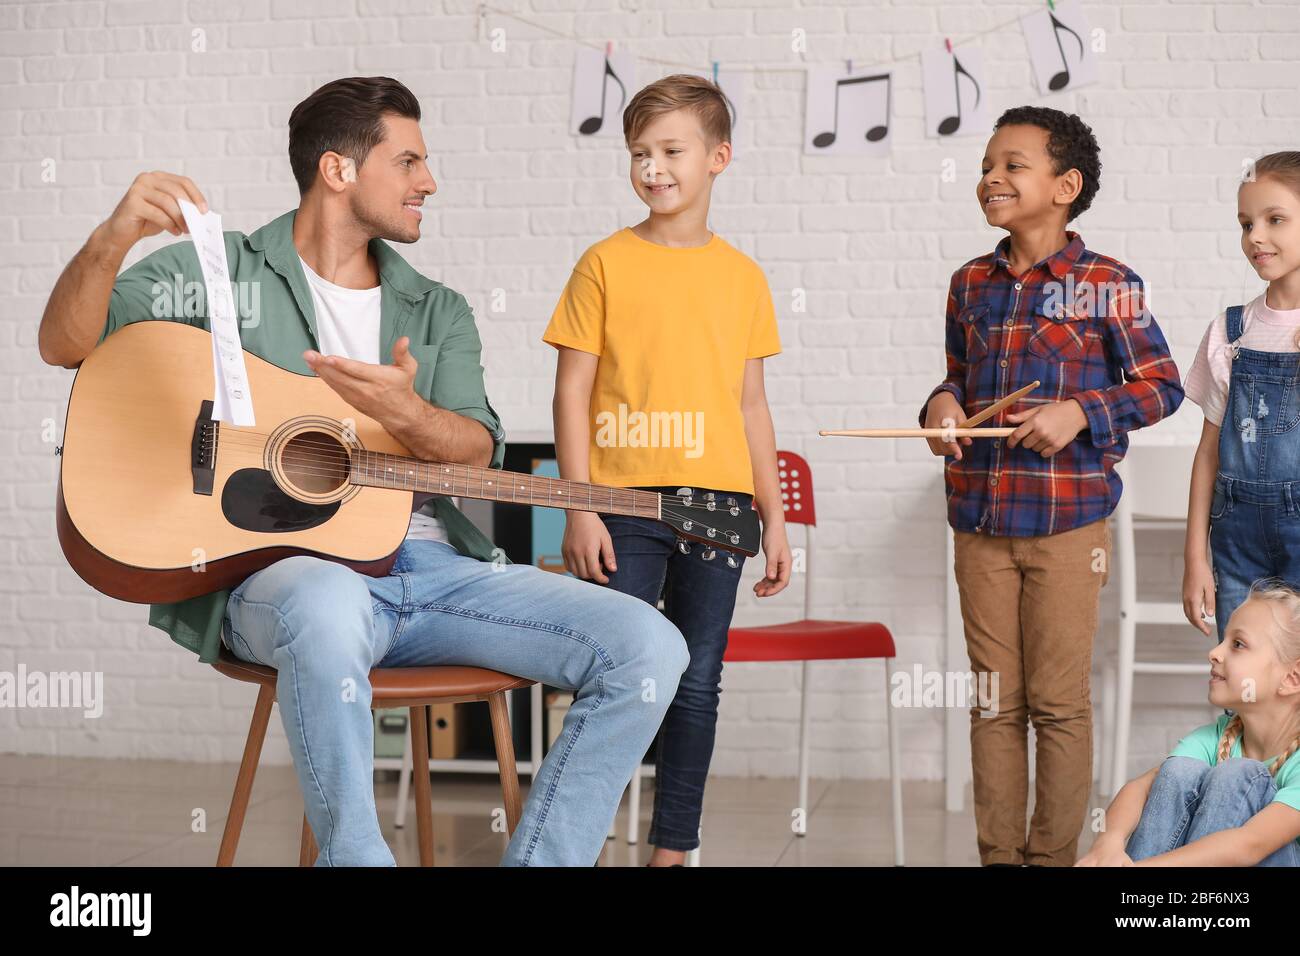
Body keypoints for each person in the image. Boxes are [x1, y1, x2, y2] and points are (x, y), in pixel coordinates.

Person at [37, 75, 690, 867]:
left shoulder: (435, 309)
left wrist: (410, 413)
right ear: (339, 170)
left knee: (649, 645)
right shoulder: (215, 273)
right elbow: (67, 344)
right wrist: (112, 239)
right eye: (409, 160)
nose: (430, 182)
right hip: (283, 580)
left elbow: (475, 452)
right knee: (327, 601)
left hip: (434, 570)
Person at [919, 106, 1183, 866]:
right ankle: (998, 859)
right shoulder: (970, 282)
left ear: (1065, 186)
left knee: (1058, 705)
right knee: (993, 702)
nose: (991, 178)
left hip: (1070, 526)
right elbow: (957, 383)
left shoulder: (1107, 284)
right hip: (979, 520)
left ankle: (1053, 861)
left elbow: (1162, 387)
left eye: (1012, 165)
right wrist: (941, 406)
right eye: (986, 166)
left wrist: (1082, 410)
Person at [544, 74, 792, 866]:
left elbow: (752, 406)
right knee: (617, 674)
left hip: (720, 509)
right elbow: (572, 390)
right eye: (639, 153)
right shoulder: (604, 263)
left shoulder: (745, 277)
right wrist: (579, 508)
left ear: (718, 157)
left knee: (696, 681)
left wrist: (775, 516)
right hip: (620, 502)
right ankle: (573, 837)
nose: (653, 167)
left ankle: (672, 850)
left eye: (671, 150)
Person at [1078, 579, 1300, 866]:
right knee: (1179, 770)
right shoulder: (1217, 737)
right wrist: (1107, 843)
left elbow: (1249, 845)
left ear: (1292, 678)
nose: (1215, 653)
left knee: (1239, 774)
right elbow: (1139, 788)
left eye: (1238, 644)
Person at [1182, 151, 1300, 641]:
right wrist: (1194, 558)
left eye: (1275, 220)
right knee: (1243, 684)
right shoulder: (1230, 332)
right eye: (1245, 223)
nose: (1255, 237)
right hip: (1237, 550)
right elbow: (1208, 453)